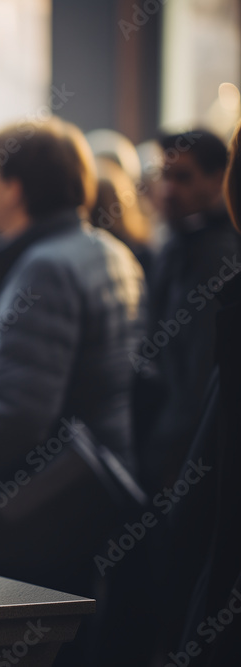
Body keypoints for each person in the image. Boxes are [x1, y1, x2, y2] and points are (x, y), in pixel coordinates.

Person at [0, 119, 145, 627]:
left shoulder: (45, 267)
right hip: (86, 501)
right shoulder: (109, 251)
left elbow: (20, 409)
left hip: (33, 518)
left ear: (15, 188)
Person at [134, 129, 241, 495]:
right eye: (165, 175)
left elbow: (196, 371)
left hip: (182, 456)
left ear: (217, 179)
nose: (169, 189)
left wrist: (165, 457)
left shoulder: (215, 255)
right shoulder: (179, 242)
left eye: (183, 177)